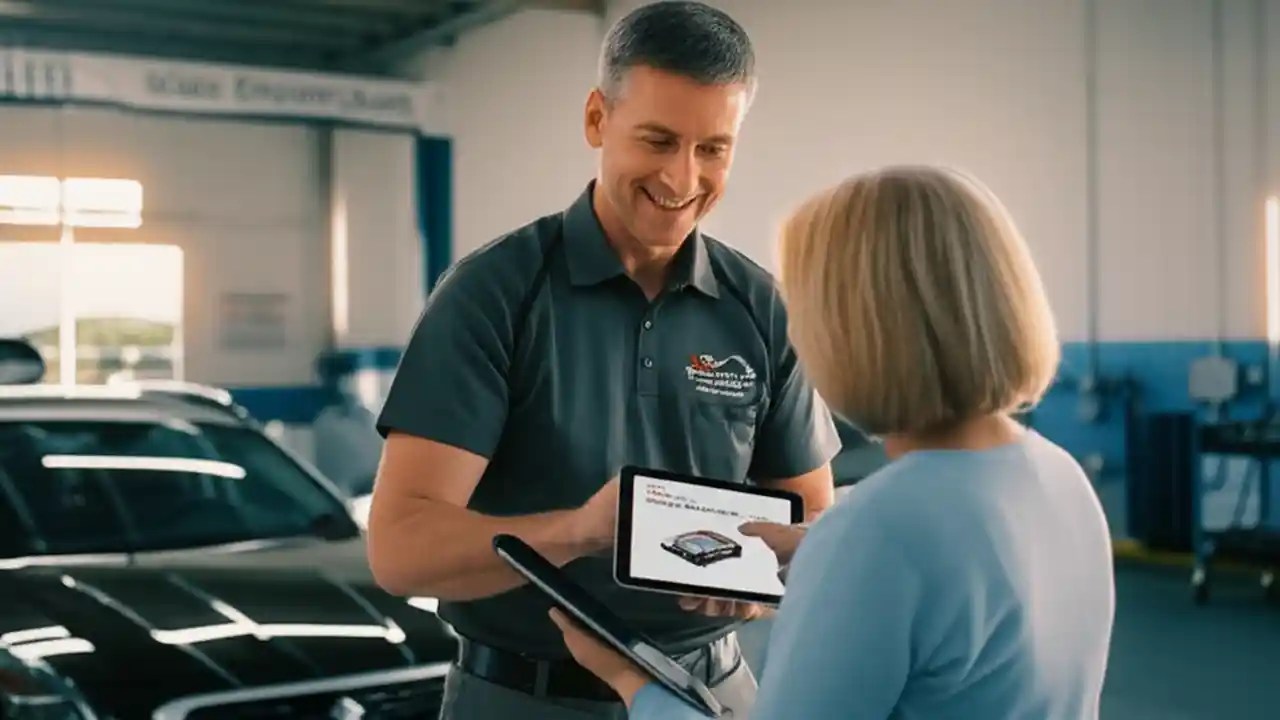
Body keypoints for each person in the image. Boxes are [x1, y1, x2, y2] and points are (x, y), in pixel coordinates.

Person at [365, 2, 841, 718]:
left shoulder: (761, 307)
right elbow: (400, 550)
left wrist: (757, 578)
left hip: (711, 690)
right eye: (658, 140)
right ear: (597, 119)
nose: (682, 178)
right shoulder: (495, 294)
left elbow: (811, 518)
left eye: (713, 148)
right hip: (524, 697)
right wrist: (578, 533)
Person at [551, 165, 1117, 719]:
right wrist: (823, 553)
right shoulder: (1060, 476)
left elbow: (903, 553)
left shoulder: (876, 531)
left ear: (859, 327)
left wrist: (634, 682)